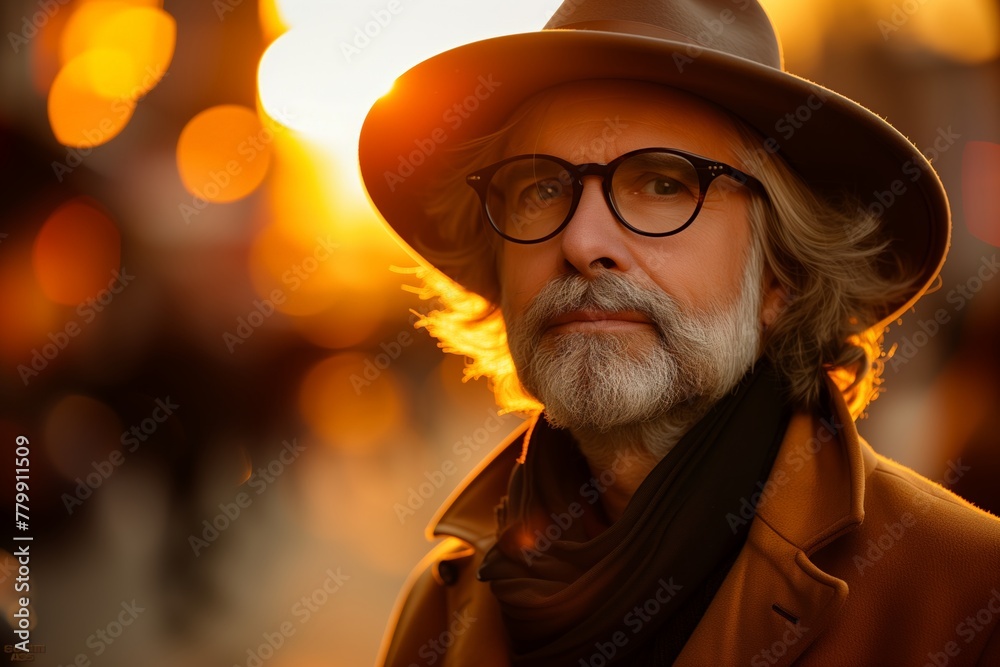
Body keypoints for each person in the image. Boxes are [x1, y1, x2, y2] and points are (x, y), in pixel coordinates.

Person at [358, 0, 1000, 664]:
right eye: (541, 189)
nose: (581, 241)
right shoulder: (441, 608)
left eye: (663, 183)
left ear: (781, 275)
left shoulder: (967, 598)